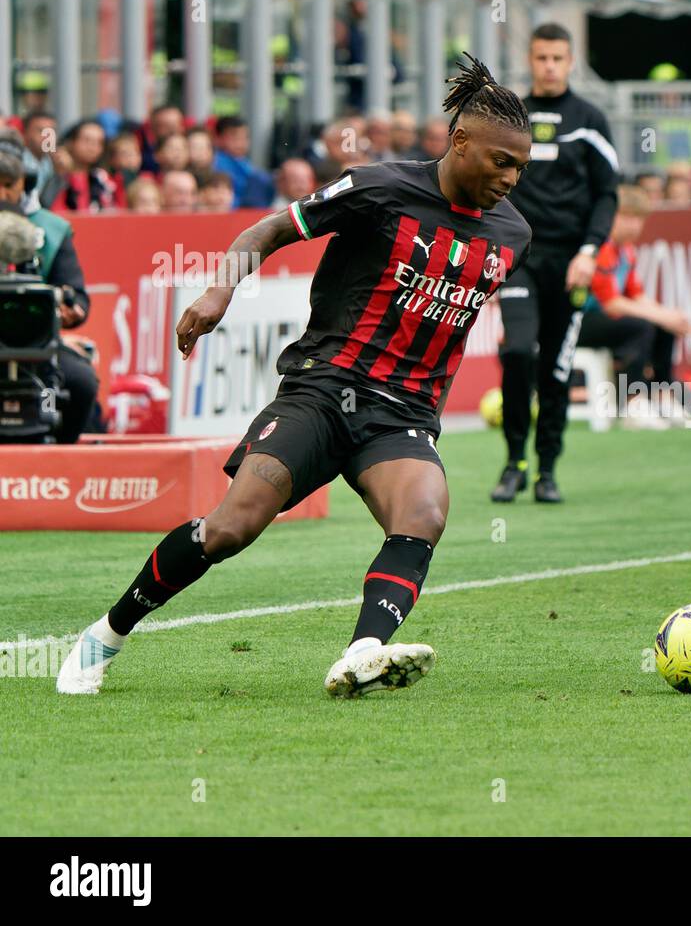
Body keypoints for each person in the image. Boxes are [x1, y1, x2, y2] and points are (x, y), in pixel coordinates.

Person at [56, 54, 533, 699]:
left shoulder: (513, 233)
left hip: (404, 414)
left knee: (423, 514)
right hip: (324, 390)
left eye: (520, 168)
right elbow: (267, 229)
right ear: (460, 142)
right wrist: (218, 293)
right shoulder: (378, 186)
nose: (510, 178)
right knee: (232, 528)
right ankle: (105, 635)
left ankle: (363, 651)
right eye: (501, 162)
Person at [492, 23, 619, 504]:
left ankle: (547, 470)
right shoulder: (509, 117)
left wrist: (589, 253)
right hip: (519, 258)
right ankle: (513, 464)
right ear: (530, 59)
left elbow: (607, 195)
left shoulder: (589, 120)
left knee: (555, 369)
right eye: (541, 57)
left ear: (570, 62)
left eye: (557, 58)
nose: (548, 66)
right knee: (518, 352)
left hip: (572, 264)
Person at [0, 132, 99, 443]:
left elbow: (77, 296)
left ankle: (61, 461)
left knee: (82, 382)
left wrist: (69, 312)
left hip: (38, 345)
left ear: (25, 183)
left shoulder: (52, 230)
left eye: (7, 184)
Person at [575, 185, 691, 398]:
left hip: (604, 319)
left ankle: (662, 394)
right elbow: (611, 303)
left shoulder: (626, 251)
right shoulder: (600, 247)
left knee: (665, 327)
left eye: (639, 219)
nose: (634, 226)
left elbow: (636, 295)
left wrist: (669, 316)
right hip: (577, 321)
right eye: (627, 218)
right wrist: (661, 316)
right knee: (640, 328)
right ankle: (632, 400)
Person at [212, 116, 275, 208]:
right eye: (235, 138)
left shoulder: (244, 162)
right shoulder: (217, 162)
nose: (241, 143)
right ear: (218, 139)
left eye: (245, 137)